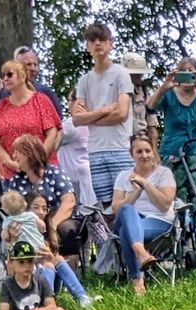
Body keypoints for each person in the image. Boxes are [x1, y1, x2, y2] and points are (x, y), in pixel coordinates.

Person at [72, 23, 136, 207]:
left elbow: (121, 114)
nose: (98, 43)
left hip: (119, 147)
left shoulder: (121, 74)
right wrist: (104, 110)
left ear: (110, 43)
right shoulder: (84, 80)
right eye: (93, 40)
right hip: (95, 150)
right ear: (87, 46)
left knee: (128, 202)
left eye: (102, 39)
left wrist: (91, 118)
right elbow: (77, 119)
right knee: (105, 205)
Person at [108, 135, 177, 296]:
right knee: (127, 209)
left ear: (153, 152)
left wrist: (145, 184)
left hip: (159, 220)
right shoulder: (123, 176)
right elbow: (116, 209)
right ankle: (140, 251)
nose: (144, 155)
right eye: (139, 151)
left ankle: (137, 280)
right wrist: (136, 192)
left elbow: (165, 205)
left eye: (147, 151)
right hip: (128, 218)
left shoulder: (164, 173)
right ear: (131, 154)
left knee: (126, 231)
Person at [3, 134, 82, 271]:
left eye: (17, 152)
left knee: (66, 229)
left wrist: (51, 226)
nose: (14, 157)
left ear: (29, 154)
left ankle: (67, 271)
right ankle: (30, 272)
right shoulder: (16, 181)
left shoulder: (54, 173)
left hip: (58, 221)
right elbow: (12, 211)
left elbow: (69, 202)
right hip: (30, 225)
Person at [0, 59, 63, 177]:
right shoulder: (1, 107)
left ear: (22, 77)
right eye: (3, 76)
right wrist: (8, 162)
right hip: (14, 173)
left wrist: (37, 159)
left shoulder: (40, 100)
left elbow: (52, 133)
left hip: (42, 171)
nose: (5, 79)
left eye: (9, 74)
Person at [150, 57, 196, 175]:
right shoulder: (169, 94)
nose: (187, 74)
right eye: (183, 71)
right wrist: (163, 88)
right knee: (168, 186)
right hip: (171, 151)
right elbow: (150, 107)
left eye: (191, 71)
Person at [0, 239, 68, 310]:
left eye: (30, 261)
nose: (27, 265)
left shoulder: (40, 279)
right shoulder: (7, 284)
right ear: (11, 263)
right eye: (21, 262)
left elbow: (52, 305)